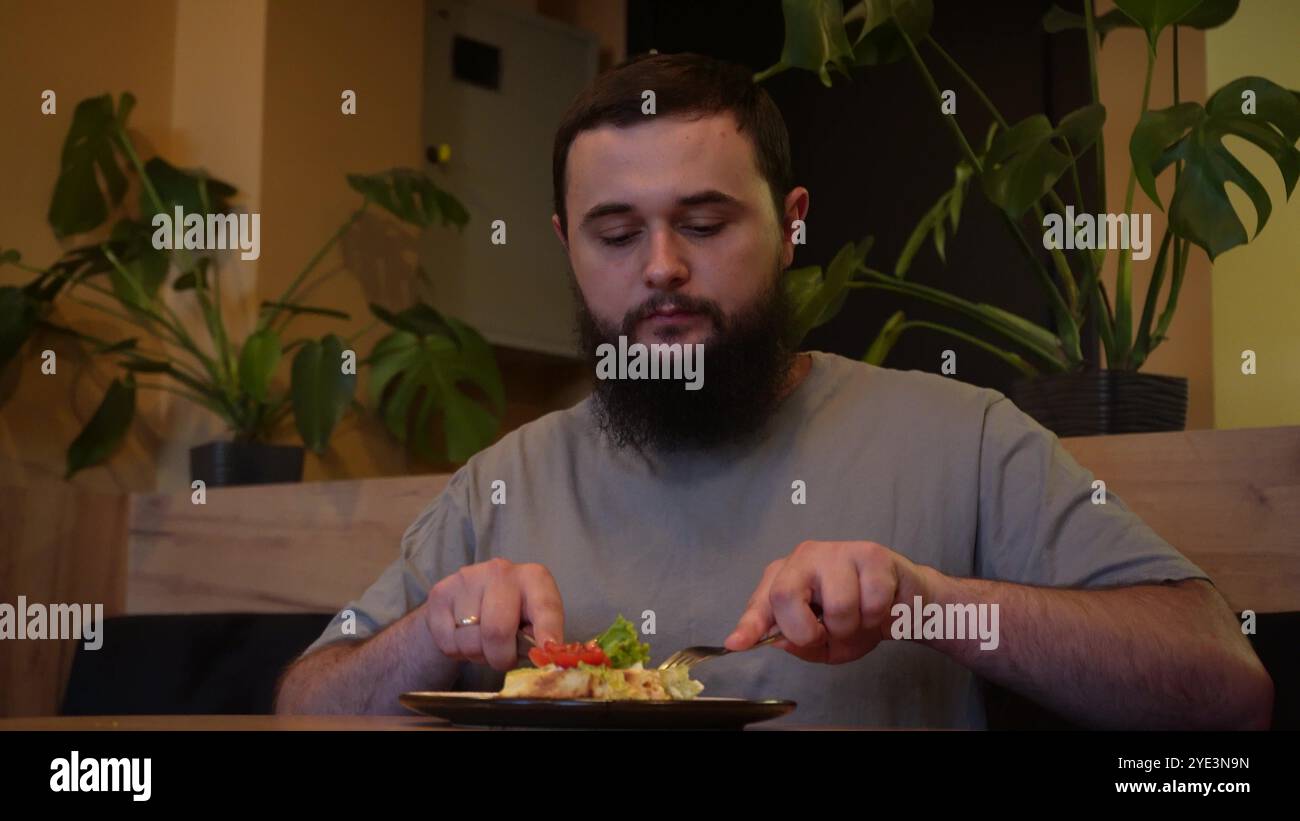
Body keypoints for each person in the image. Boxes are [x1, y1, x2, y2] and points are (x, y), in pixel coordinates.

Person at [274, 52, 1272, 729]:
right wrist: (426, 638)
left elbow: (1226, 682)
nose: (659, 266)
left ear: (792, 224)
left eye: (703, 223)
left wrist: (929, 604)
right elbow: (303, 709)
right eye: (615, 234)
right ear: (563, 246)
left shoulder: (954, 435)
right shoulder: (504, 479)